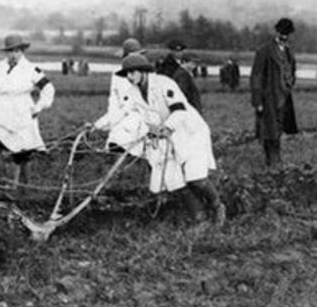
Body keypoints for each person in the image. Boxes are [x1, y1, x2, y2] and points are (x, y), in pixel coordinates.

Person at [93, 53, 226, 227]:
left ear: (143, 71)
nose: (129, 77)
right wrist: (95, 126)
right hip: (165, 138)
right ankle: (200, 219)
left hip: (190, 133)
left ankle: (217, 206)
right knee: (174, 181)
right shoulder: (132, 92)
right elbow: (120, 113)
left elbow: (180, 110)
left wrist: (167, 127)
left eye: (132, 73)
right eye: (127, 74)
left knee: (196, 178)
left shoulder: (164, 84)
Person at [0, 33, 55, 187]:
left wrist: (38, 107)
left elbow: (49, 89)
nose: (13, 54)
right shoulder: (0, 67)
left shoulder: (31, 69)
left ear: (22, 51)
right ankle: (3, 182)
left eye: (16, 51)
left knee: (22, 152)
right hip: (0, 112)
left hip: (21, 111)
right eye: (10, 51)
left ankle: (23, 188)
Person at [250, 17, 299, 168]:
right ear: (276, 31)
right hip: (269, 98)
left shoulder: (288, 51)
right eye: (282, 33)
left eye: (287, 34)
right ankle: (272, 161)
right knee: (269, 131)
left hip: (284, 98)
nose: (284, 36)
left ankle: (276, 160)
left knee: (278, 130)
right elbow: (256, 76)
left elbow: (291, 70)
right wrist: (258, 101)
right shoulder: (264, 51)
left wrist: (289, 83)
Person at [91, 38, 149, 153]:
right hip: (124, 123)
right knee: (116, 144)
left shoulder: (147, 75)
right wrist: (98, 125)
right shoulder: (118, 76)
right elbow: (116, 106)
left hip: (140, 124)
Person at [156, 39, 203, 112]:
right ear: (171, 51)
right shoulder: (165, 65)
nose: (179, 53)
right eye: (176, 51)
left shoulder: (187, 63)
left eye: (181, 51)